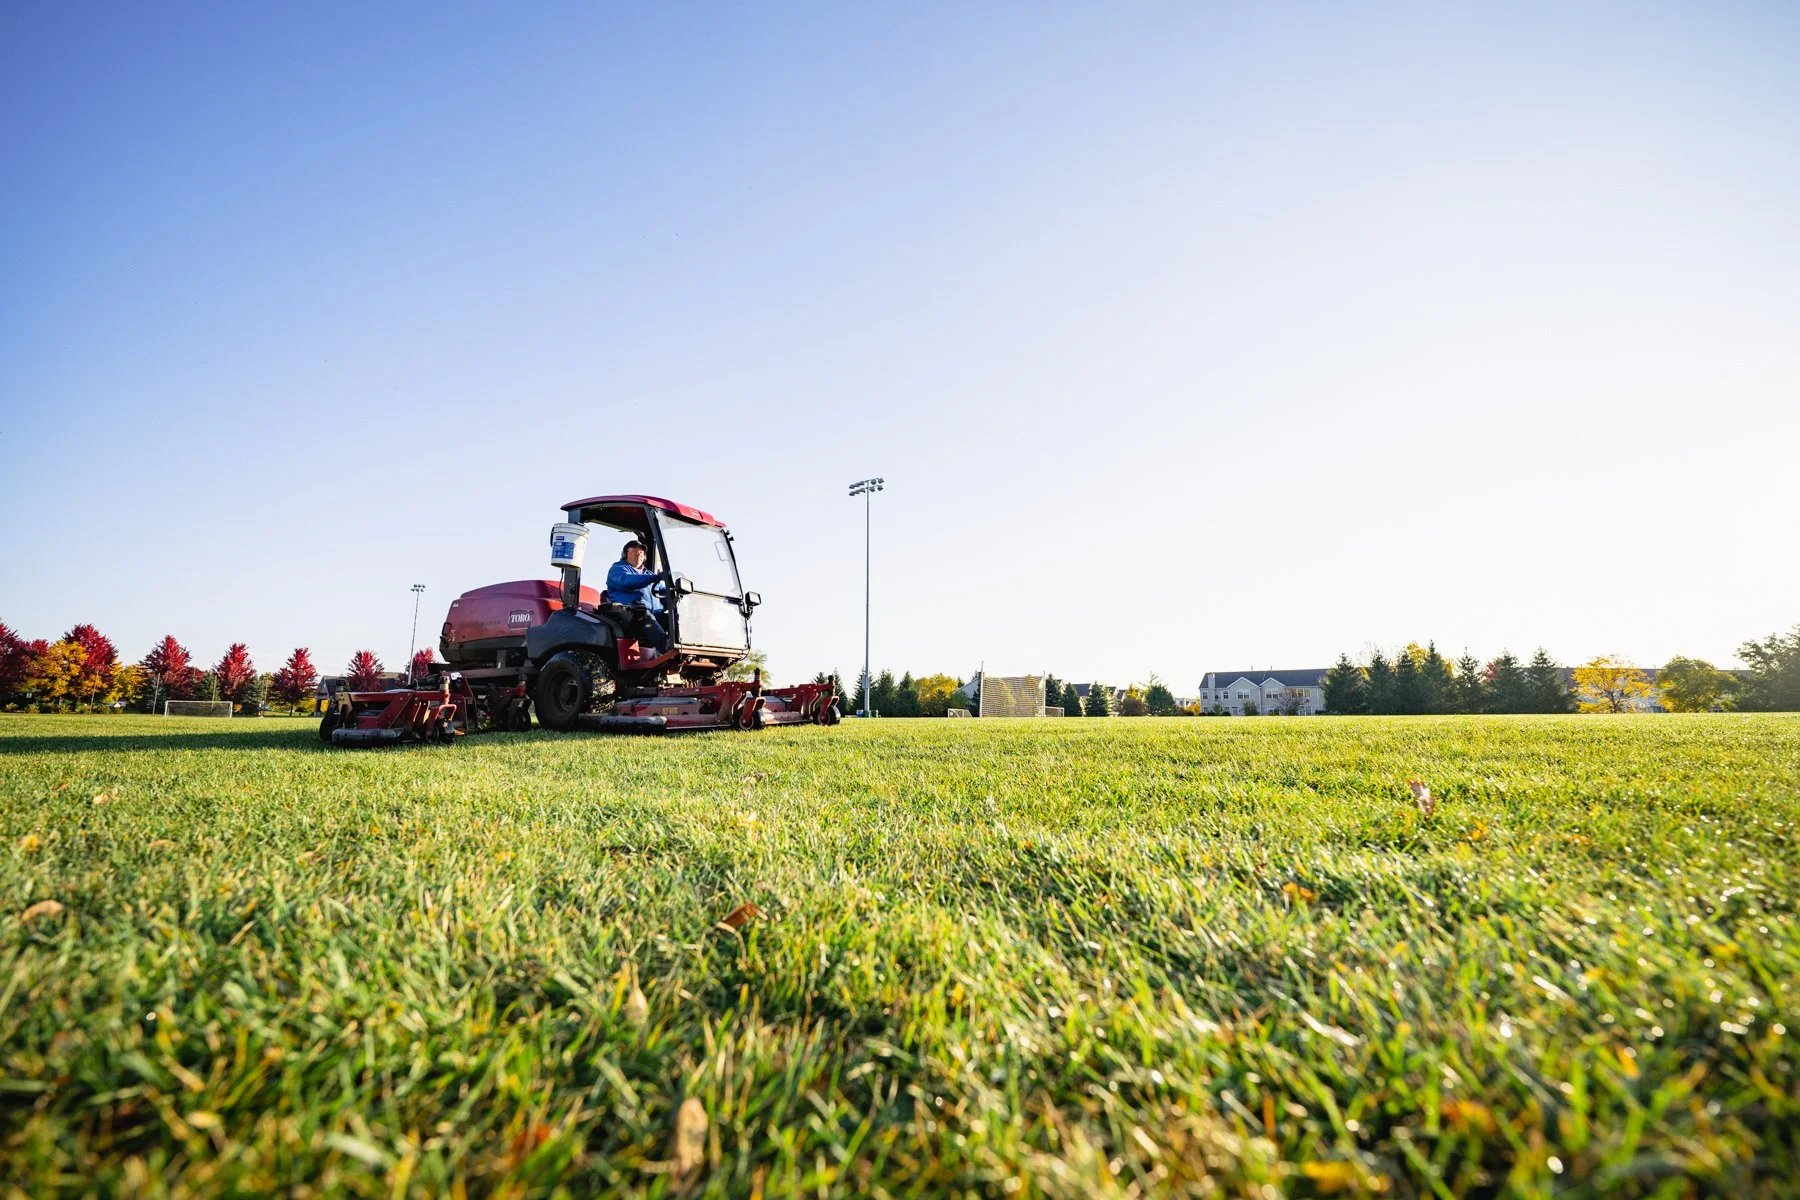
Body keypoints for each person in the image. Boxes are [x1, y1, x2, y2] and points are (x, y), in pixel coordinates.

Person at [603, 539, 670, 653]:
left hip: (654, 616)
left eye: (641, 553)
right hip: (630, 616)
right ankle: (666, 647)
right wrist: (654, 578)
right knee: (643, 613)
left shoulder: (649, 574)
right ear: (625, 554)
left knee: (674, 617)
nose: (639, 554)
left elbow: (662, 593)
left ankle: (688, 645)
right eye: (634, 551)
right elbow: (627, 581)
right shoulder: (618, 569)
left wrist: (674, 598)